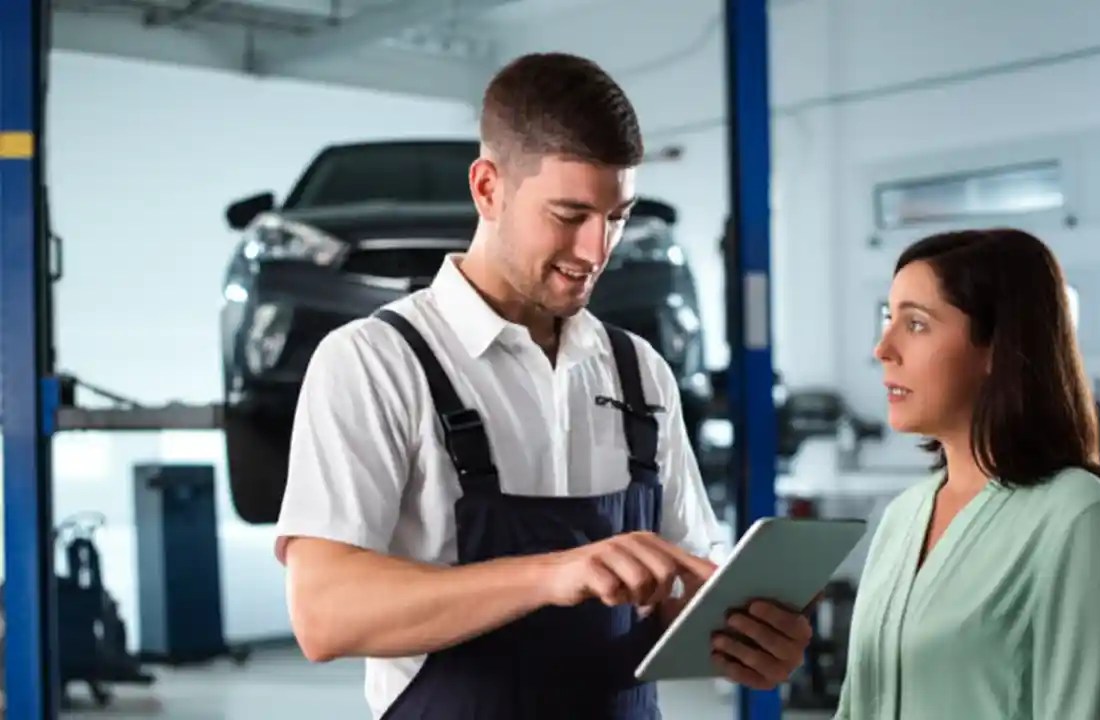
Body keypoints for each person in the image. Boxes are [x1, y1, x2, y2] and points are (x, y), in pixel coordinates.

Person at [273, 51, 813, 719]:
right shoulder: (375, 362)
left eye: (616, 217)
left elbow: (682, 589)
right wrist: (551, 574)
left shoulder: (639, 372)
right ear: (488, 188)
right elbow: (324, 614)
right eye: (569, 214)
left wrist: (748, 636)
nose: (596, 250)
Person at [834, 228, 1100, 719]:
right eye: (889, 319)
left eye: (915, 325)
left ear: (997, 345)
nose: (883, 349)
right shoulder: (902, 517)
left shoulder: (1076, 517)